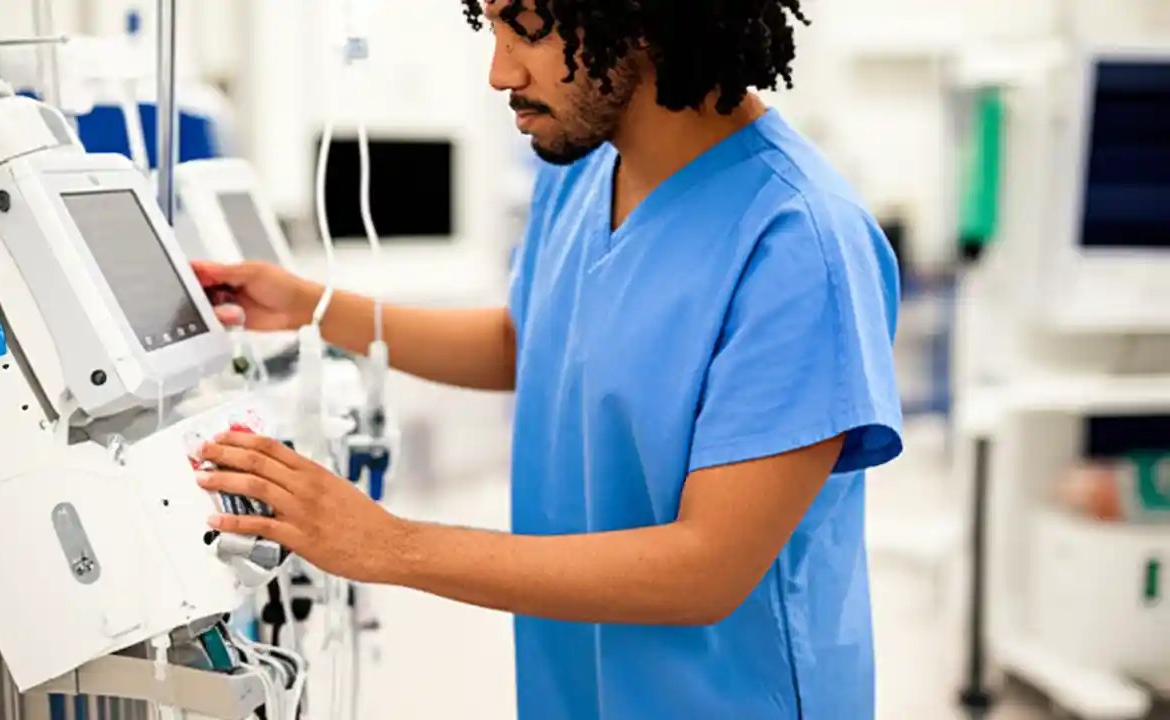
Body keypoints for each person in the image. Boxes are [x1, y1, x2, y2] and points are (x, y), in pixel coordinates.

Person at [191, 0, 903, 717]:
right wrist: (311, 307)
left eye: (526, 29)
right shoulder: (583, 171)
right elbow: (530, 343)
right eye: (492, 29)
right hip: (579, 687)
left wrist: (386, 545)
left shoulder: (799, 242)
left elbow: (705, 571)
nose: (500, 71)